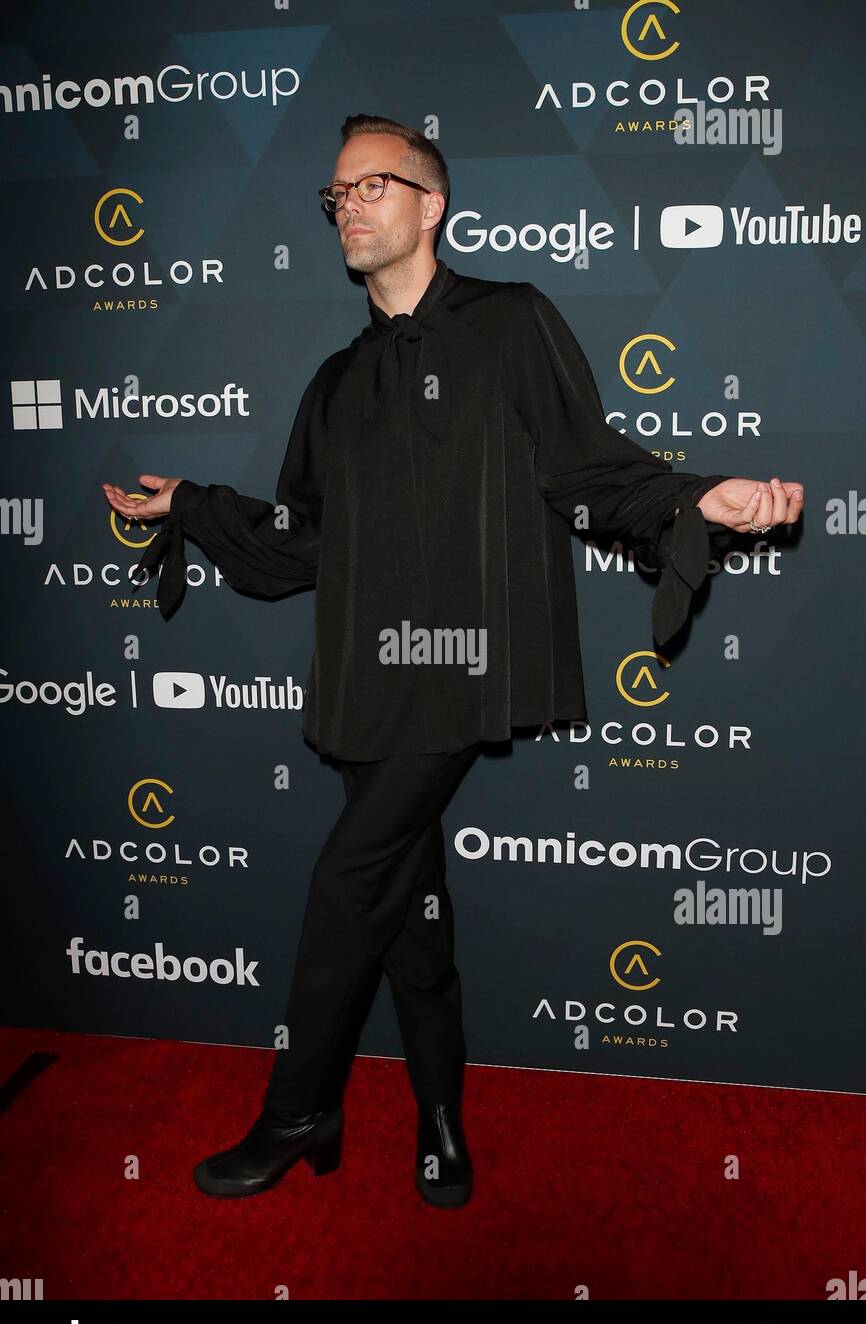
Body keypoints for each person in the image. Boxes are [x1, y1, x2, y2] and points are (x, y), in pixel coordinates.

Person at [102, 113, 804, 1208]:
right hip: (362, 680)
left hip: (460, 664)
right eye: (334, 195)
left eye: (371, 185)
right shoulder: (335, 382)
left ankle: (297, 1109)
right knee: (405, 906)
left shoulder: (509, 320)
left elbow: (585, 469)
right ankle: (438, 1113)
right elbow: (305, 542)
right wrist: (190, 506)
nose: (349, 207)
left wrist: (689, 498)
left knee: (347, 879)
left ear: (431, 203)